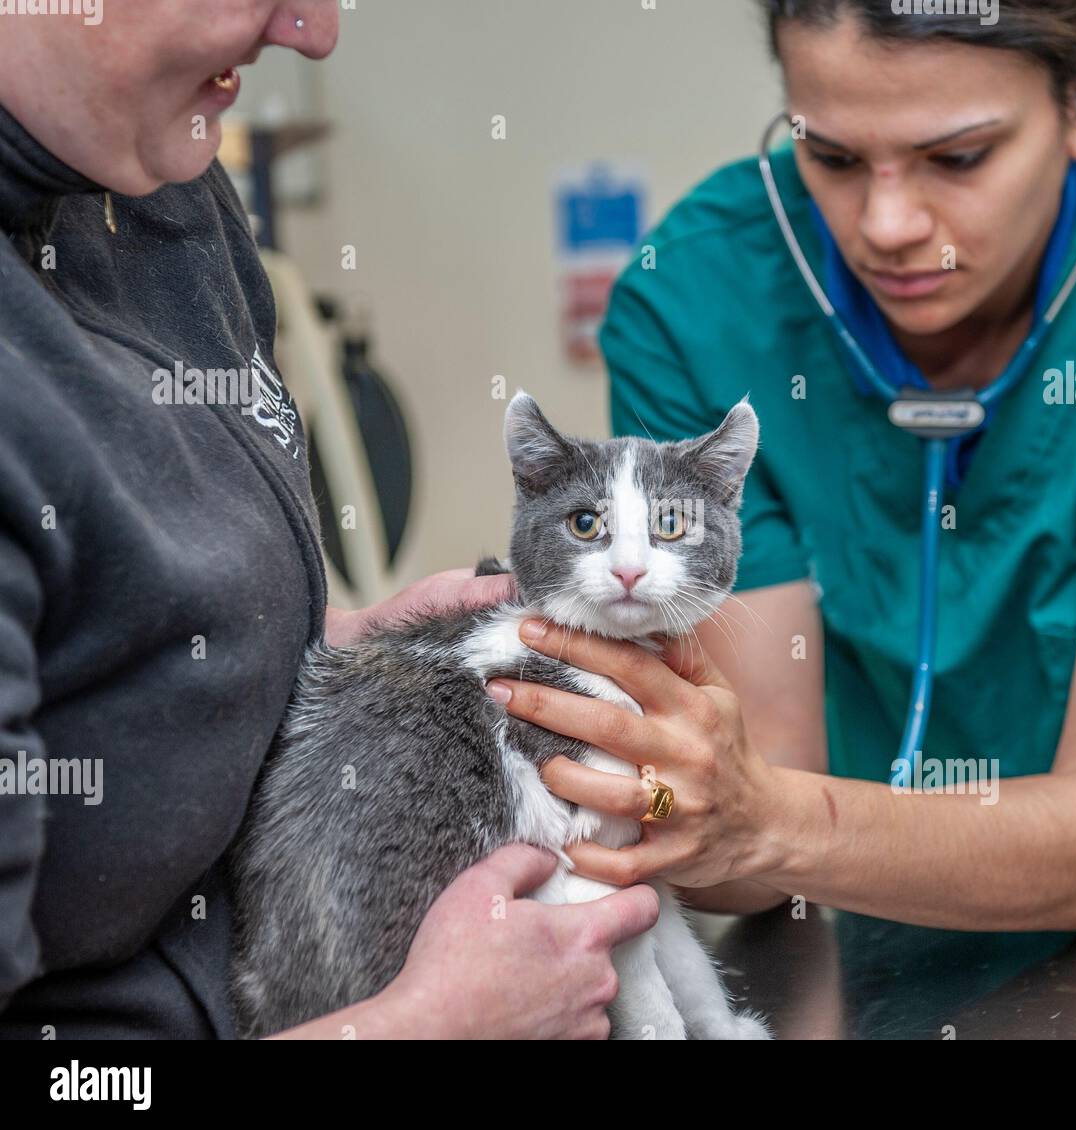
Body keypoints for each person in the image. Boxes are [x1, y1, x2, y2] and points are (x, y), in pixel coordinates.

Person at [484, 0, 1076, 929]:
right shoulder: (697, 299)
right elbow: (743, 832)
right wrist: (667, 802)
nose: (887, 224)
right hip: (873, 906)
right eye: (828, 156)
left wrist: (760, 820)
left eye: (957, 158)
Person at [0, 1, 657, 1040]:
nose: (313, 32)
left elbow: (111, 640)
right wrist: (421, 1025)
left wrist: (355, 642)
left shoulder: (158, 186)